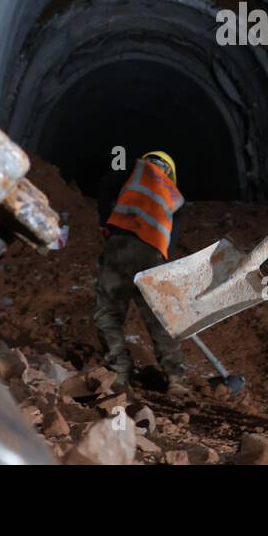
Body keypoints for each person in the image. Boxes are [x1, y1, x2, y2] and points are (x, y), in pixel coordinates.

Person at [93, 151, 188, 394]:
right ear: (170, 172)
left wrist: (107, 224)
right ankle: (176, 378)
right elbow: (170, 241)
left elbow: (105, 187)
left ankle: (119, 373)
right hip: (150, 254)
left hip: (118, 247)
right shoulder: (175, 198)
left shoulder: (130, 174)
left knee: (108, 314)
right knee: (158, 318)